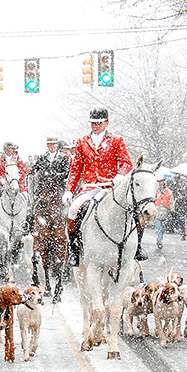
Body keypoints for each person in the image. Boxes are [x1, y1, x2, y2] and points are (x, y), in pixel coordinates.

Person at [62, 106, 147, 267]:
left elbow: (126, 163)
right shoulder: (81, 142)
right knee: (73, 210)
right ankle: (74, 248)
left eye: (99, 123)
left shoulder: (116, 140)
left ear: (106, 123)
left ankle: (137, 246)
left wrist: (119, 176)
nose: (95, 126)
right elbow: (76, 170)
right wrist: (69, 190)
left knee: (134, 208)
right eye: (93, 123)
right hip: (90, 187)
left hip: (110, 187)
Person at [0, 141, 32, 231]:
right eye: (8, 149)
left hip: (16, 183)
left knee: (27, 197)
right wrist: (1, 179)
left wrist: (15, 179)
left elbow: (22, 171)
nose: (9, 151)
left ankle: (27, 220)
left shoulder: (18, 158)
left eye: (11, 149)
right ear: (4, 149)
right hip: (1, 183)